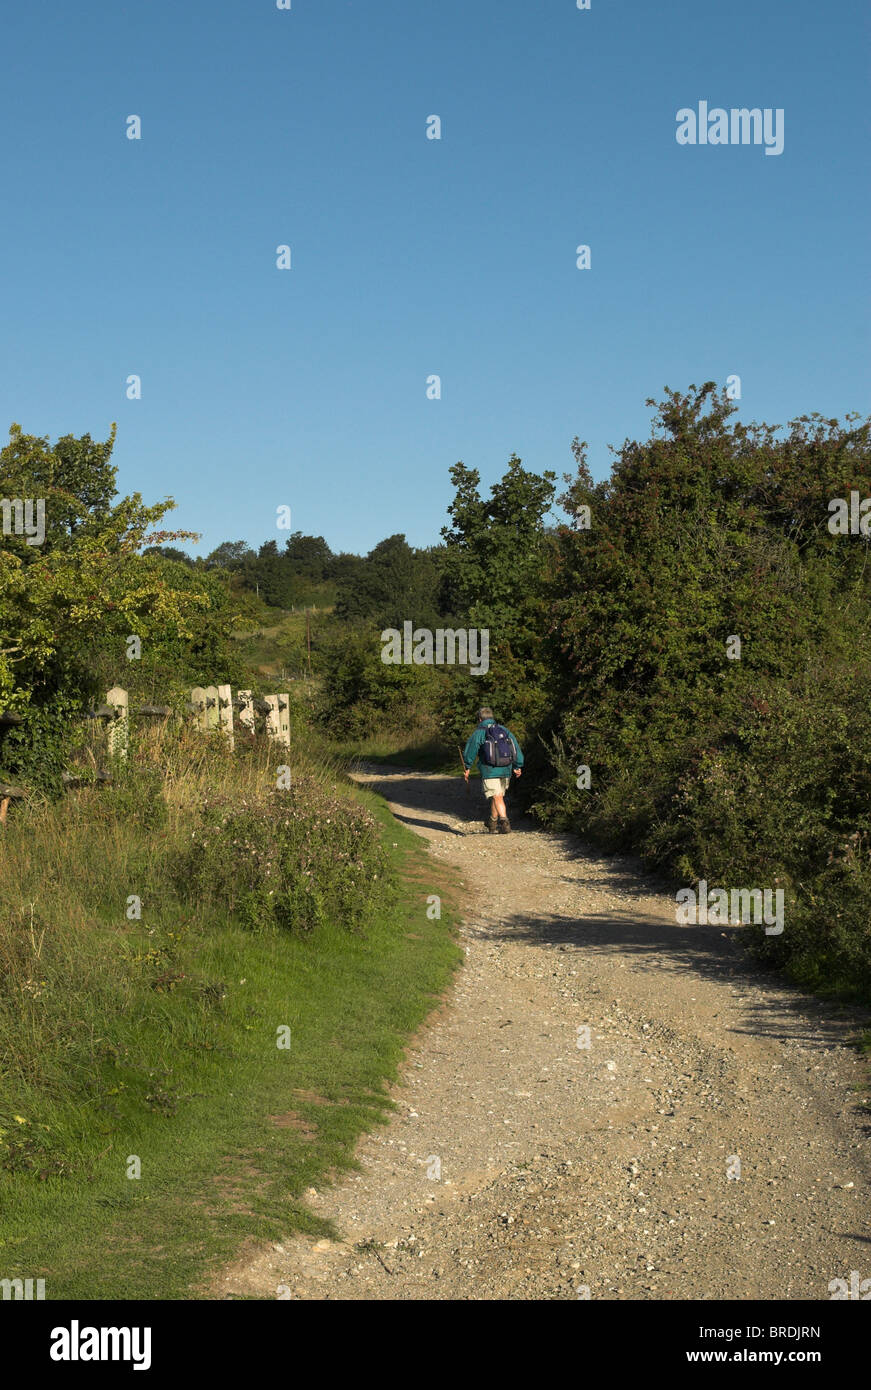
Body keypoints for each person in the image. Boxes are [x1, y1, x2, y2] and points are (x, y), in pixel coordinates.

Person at [462, 706, 523, 834]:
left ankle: (504, 821)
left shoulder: (479, 733)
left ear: (480, 719)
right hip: (506, 768)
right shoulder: (504, 730)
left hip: (489, 770)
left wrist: (467, 767)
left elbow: (470, 752)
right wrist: (517, 766)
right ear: (492, 718)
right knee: (498, 796)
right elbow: (515, 747)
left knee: (497, 796)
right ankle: (492, 822)